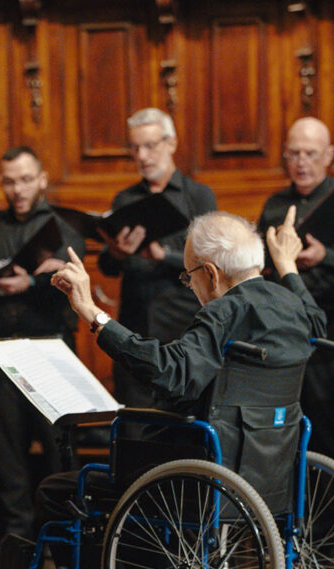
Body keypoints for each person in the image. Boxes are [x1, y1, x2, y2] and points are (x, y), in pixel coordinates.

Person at [39, 208, 325, 569]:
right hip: (269, 472)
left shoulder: (224, 311)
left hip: (205, 475)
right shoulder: (292, 306)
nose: (190, 286)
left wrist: (93, 314)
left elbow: (172, 375)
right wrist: (286, 264)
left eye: (189, 276)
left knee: (66, 489)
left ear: (210, 273)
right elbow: (318, 323)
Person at [0, 146, 86, 555]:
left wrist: (35, 282)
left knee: (57, 449)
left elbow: (75, 272)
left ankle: (65, 538)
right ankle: (18, 538)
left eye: (24, 179)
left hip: (52, 351)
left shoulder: (63, 223)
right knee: (11, 449)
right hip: (4, 353)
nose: (17, 189)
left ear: (41, 178)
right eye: (9, 181)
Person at [256, 117, 334, 480]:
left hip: (332, 331)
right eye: (293, 153)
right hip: (283, 332)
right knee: (284, 432)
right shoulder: (276, 204)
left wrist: (326, 255)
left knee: (331, 427)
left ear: (329, 155)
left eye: (310, 153)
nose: (301, 161)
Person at [98, 108, 217, 408]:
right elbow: (106, 267)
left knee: (185, 425)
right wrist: (115, 252)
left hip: (185, 329)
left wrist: (163, 255)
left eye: (150, 145)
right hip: (135, 328)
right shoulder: (125, 200)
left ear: (172, 143)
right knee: (136, 423)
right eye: (136, 147)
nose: (142, 155)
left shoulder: (199, 196)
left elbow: (212, 261)